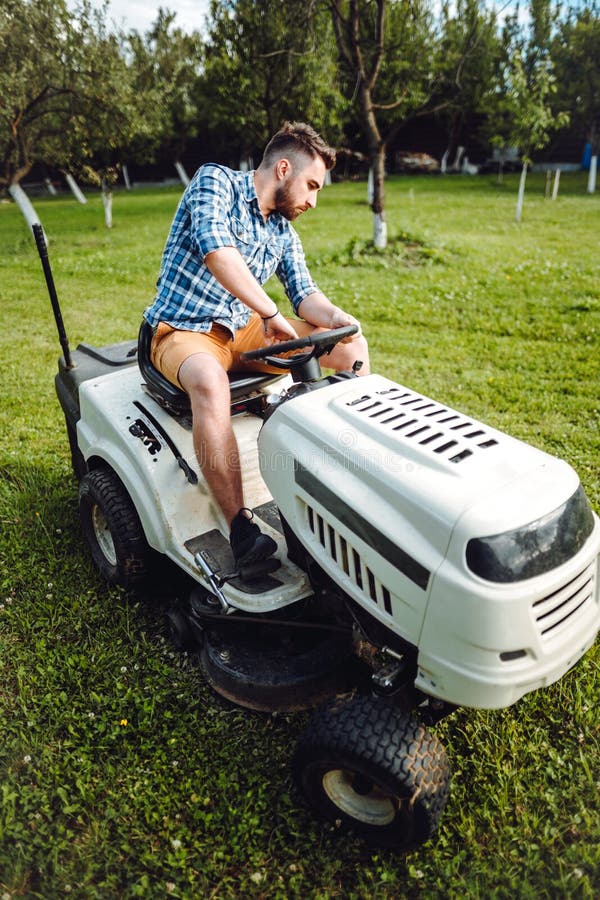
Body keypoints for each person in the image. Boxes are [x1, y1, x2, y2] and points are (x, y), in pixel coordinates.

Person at [144, 121, 370, 567]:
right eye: (311, 185)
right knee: (210, 383)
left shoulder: (284, 233)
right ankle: (241, 527)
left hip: (245, 332)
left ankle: (355, 478)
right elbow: (217, 253)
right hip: (183, 330)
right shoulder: (216, 182)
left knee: (348, 346)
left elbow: (305, 295)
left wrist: (340, 319)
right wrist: (269, 314)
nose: (312, 200)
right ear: (283, 168)